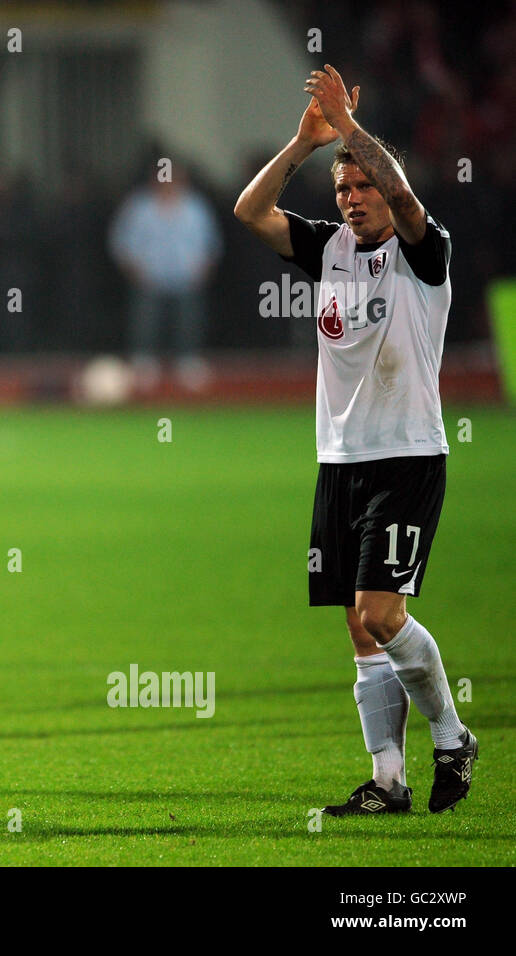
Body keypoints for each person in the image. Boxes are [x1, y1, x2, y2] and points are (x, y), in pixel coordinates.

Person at [234, 66, 474, 815]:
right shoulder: (327, 249)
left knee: (382, 615)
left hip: (405, 455)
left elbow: (406, 197)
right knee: (358, 631)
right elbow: (250, 209)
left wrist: (351, 131)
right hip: (339, 460)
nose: (352, 197)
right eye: (343, 189)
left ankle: (454, 736)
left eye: (361, 185)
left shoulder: (421, 251)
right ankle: (388, 780)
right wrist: (307, 143)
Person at [109, 174, 221, 392]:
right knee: (145, 321)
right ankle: (144, 363)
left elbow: (211, 241)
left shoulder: (195, 207)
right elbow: (121, 240)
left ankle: (187, 362)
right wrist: (132, 269)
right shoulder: (139, 207)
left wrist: (204, 268)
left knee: (188, 321)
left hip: (186, 278)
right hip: (150, 277)